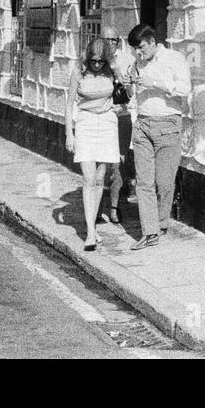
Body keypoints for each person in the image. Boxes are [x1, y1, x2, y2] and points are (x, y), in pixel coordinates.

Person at [124, 24, 192, 250]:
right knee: (143, 182)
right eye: (135, 49)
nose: (138, 53)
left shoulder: (174, 58)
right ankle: (150, 231)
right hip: (143, 125)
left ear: (153, 42)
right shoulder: (136, 63)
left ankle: (161, 222)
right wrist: (128, 86)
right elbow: (132, 94)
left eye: (141, 47)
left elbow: (185, 89)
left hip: (168, 125)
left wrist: (155, 83)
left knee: (163, 183)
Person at [65, 38, 121, 251]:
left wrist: (114, 65)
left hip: (107, 123)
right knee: (88, 178)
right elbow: (69, 104)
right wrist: (69, 134)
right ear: (87, 57)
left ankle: (92, 225)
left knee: (99, 179)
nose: (96, 64)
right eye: (93, 60)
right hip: (86, 122)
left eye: (100, 60)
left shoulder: (110, 71)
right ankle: (90, 231)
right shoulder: (79, 71)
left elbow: (128, 88)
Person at [99, 29, 135, 225]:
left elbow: (131, 92)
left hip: (121, 117)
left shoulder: (127, 61)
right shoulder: (95, 61)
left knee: (118, 164)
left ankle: (114, 208)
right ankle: (96, 208)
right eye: (107, 39)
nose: (111, 43)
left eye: (114, 39)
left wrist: (126, 83)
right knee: (100, 164)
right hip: (101, 118)